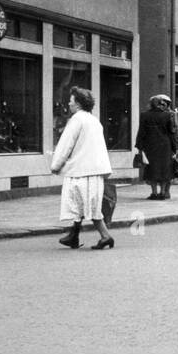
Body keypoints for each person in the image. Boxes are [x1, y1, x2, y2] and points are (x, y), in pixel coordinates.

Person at [51, 87, 115, 251]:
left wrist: (56, 164)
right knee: (83, 204)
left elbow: (66, 145)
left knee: (86, 206)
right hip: (94, 170)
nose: (68, 103)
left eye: (71, 100)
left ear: (78, 103)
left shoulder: (76, 120)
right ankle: (74, 235)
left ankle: (106, 236)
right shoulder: (94, 120)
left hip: (80, 171)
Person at [135, 95, 178, 200]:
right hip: (165, 145)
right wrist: (174, 148)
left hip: (150, 145)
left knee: (152, 168)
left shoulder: (144, 115)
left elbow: (141, 132)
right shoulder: (167, 115)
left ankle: (154, 193)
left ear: (150, 104)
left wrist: (139, 146)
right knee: (164, 169)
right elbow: (171, 133)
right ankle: (163, 192)